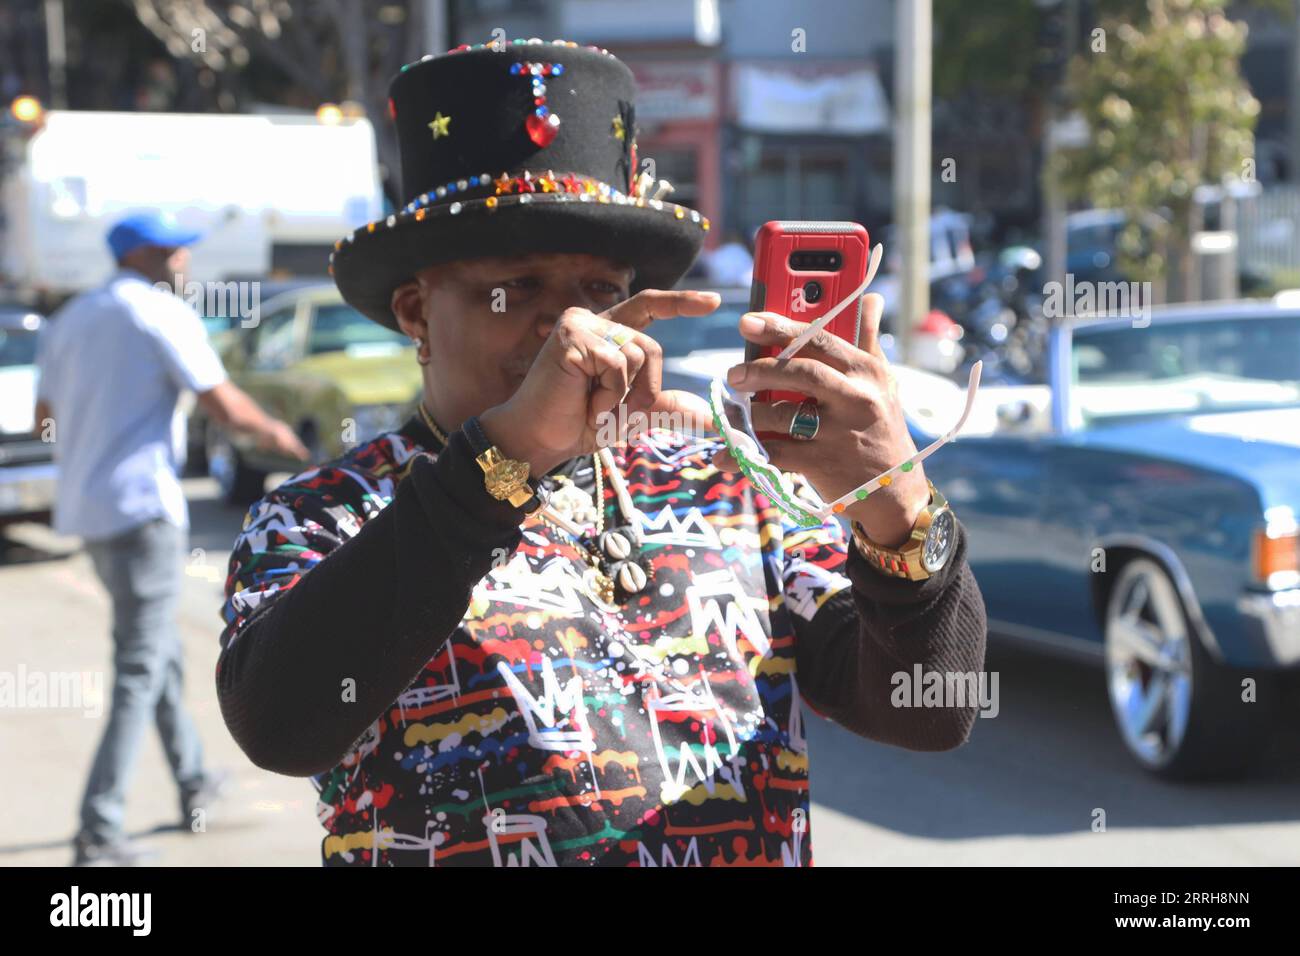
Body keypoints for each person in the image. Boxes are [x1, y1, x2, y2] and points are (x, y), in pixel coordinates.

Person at [216, 40, 987, 867]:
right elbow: (282, 726)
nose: (567, 328)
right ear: (415, 312)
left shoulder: (732, 486)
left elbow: (930, 709)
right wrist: (506, 456)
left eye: (597, 291)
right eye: (513, 290)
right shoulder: (318, 512)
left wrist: (896, 506)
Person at [34, 210, 310, 866]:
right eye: (176, 252)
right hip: (144, 514)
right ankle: (98, 830)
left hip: (90, 515)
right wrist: (291, 449)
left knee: (156, 656)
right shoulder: (159, 313)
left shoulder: (71, 318)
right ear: (149, 258)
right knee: (138, 668)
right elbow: (225, 406)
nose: (185, 263)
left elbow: (43, 417)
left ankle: (192, 780)